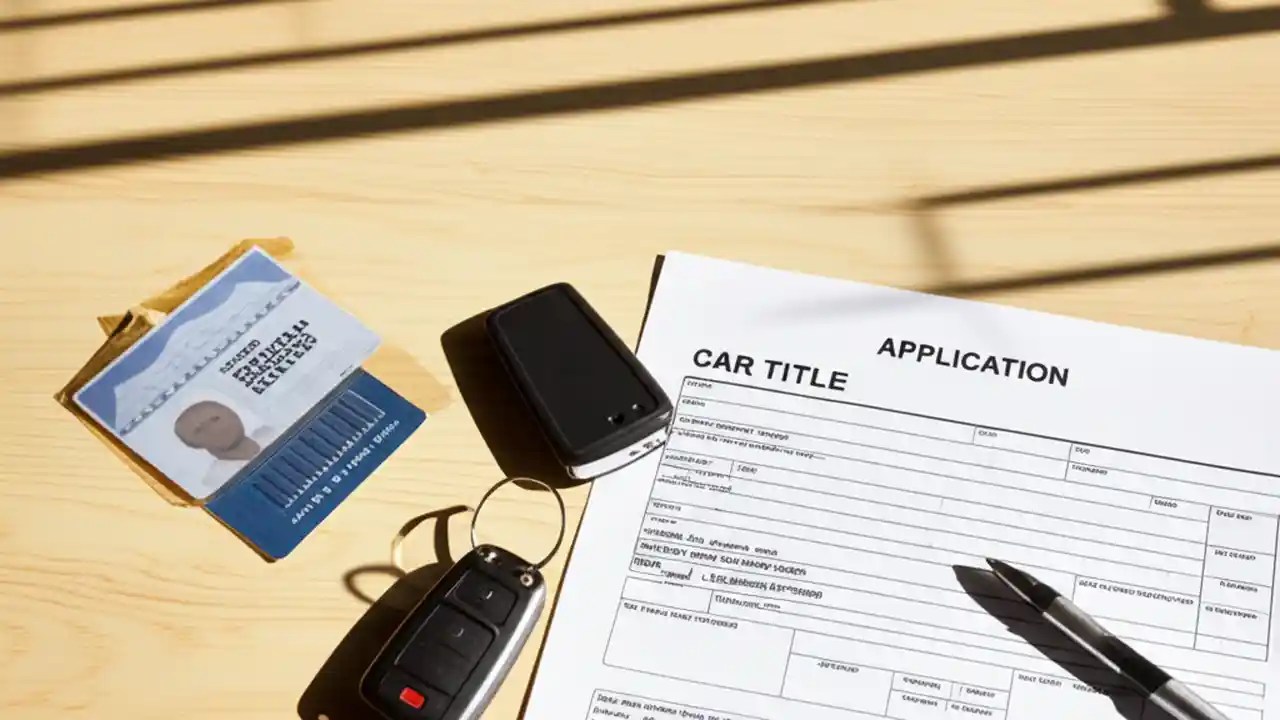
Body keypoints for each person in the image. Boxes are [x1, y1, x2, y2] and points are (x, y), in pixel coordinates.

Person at [173, 400, 274, 494]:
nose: (213, 429)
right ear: (193, 444)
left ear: (233, 414)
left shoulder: (276, 432)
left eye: (215, 419)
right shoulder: (217, 485)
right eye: (199, 430)